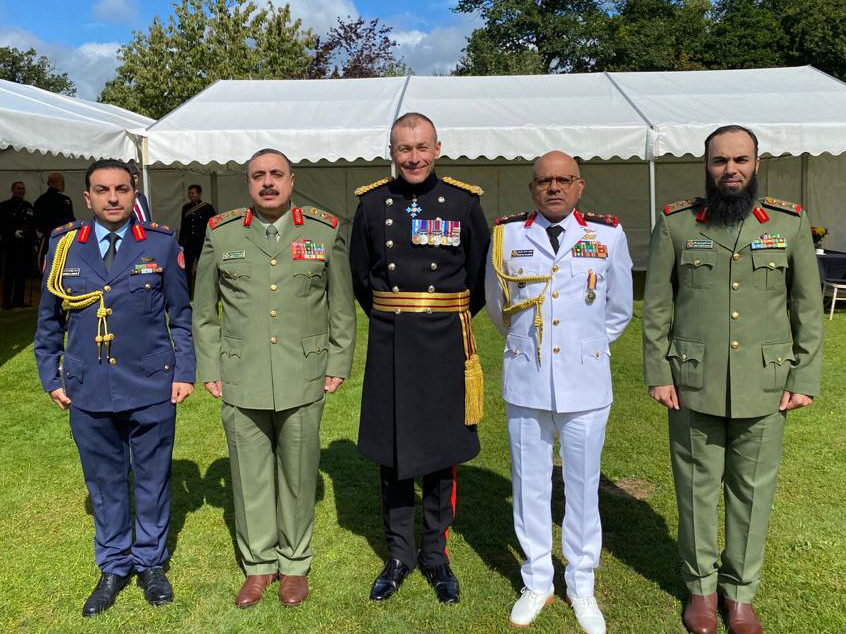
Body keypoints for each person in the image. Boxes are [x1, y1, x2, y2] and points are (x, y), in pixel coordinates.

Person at [642, 125, 823, 634]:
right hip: (692, 382)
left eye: (741, 160)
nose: (731, 170)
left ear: (757, 164)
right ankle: (701, 590)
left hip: (765, 385)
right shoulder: (677, 224)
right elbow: (657, 307)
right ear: (706, 165)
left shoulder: (788, 224)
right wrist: (659, 372)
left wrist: (804, 376)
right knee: (695, 491)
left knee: (753, 493)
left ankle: (739, 593)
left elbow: (807, 308)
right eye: (720, 160)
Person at [192, 148, 355, 609]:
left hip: (303, 372)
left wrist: (337, 362)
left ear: (291, 180)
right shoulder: (221, 233)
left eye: (276, 174)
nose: (268, 182)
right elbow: (203, 310)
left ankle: (295, 563)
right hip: (241, 373)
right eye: (258, 175)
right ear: (248, 182)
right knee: (249, 476)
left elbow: (341, 306)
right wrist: (211, 367)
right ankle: (259, 564)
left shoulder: (323, 230)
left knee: (300, 473)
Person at [33, 159, 195, 617]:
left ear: (133, 193)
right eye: (102, 190)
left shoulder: (160, 244)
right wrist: (51, 376)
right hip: (88, 386)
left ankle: (150, 563)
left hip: (151, 383)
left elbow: (181, 316)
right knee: (104, 483)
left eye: (121, 189)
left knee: (152, 479)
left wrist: (184, 371)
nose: (112, 198)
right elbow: (48, 322)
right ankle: (113, 566)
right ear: (87, 197)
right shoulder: (64, 247)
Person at [485, 151, 633, 632]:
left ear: (579, 186)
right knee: (528, 483)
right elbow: (498, 307)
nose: (554, 187)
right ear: (532, 188)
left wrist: (583, 346)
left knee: (583, 486)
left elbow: (619, 308)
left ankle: (582, 584)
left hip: (585, 383)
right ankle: (537, 580)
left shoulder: (607, 235)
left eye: (564, 180)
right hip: (527, 378)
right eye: (544, 180)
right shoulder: (506, 235)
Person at [349, 112, 491, 604]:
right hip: (391, 340)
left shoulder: (464, 202)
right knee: (393, 453)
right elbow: (360, 278)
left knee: (441, 453)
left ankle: (435, 554)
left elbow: (479, 276)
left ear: (437, 149)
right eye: (404, 148)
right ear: (391, 151)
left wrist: (440, 314)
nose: (413, 157)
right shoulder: (371, 204)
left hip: (444, 340)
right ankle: (398, 554)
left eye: (422, 147)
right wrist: (396, 316)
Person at [0, 181, 35, 308]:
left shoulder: (28, 206)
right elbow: (2, 224)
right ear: (12, 190)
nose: (21, 191)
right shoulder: (5, 206)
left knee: (21, 273)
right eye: (18, 188)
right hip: (11, 245)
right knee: (9, 274)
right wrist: (12, 232)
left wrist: (30, 235)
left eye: (23, 189)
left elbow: (32, 223)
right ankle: (6, 301)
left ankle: (18, 300)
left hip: (24, 245)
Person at [178, 184, 216, 288]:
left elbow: (213, 225)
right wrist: (181, 243)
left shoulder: (207, 207)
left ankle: (204, 289)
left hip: (202, 243)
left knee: (203, 267)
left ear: (199, 194)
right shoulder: (186, 208)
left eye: (193, 193)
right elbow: (183, 226)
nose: (190, 195)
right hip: (189, 244)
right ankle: (188, 290)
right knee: (187, 268)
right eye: (189, 193)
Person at [34, 172, 75, 267]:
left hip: (47, 239)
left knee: (46, 267)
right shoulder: (65, 200)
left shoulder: (40, 200)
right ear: (62, 183)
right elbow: (71, 222)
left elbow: (37, 224)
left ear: (48, 183)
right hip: (63, 238)